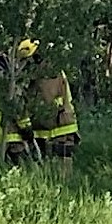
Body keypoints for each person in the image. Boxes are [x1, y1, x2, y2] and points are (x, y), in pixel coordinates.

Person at [28, 42, 81, 177]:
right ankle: (59, 183)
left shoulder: (45, 73)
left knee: (59, 156)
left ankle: (62, 184)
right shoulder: (53, 70)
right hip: (59, 121)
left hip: (58, 121)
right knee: (58, 156)